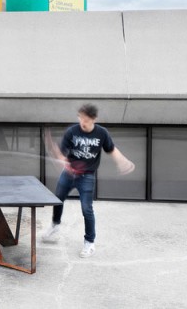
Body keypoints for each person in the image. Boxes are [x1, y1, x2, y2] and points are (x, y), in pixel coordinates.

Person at [42, 103, 135, 258]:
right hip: (69, 174)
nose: (82, 122)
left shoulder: (101, 133)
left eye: (85, 119)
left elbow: (111, 149)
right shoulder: (72, 131)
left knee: (87, 209)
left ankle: (89, 243)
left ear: (94, 119)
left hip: (87, 177)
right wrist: (62, 160)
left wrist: (122, 161)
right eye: (80, 118)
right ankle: (55, 225)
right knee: (58, 198)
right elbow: (61, 154)